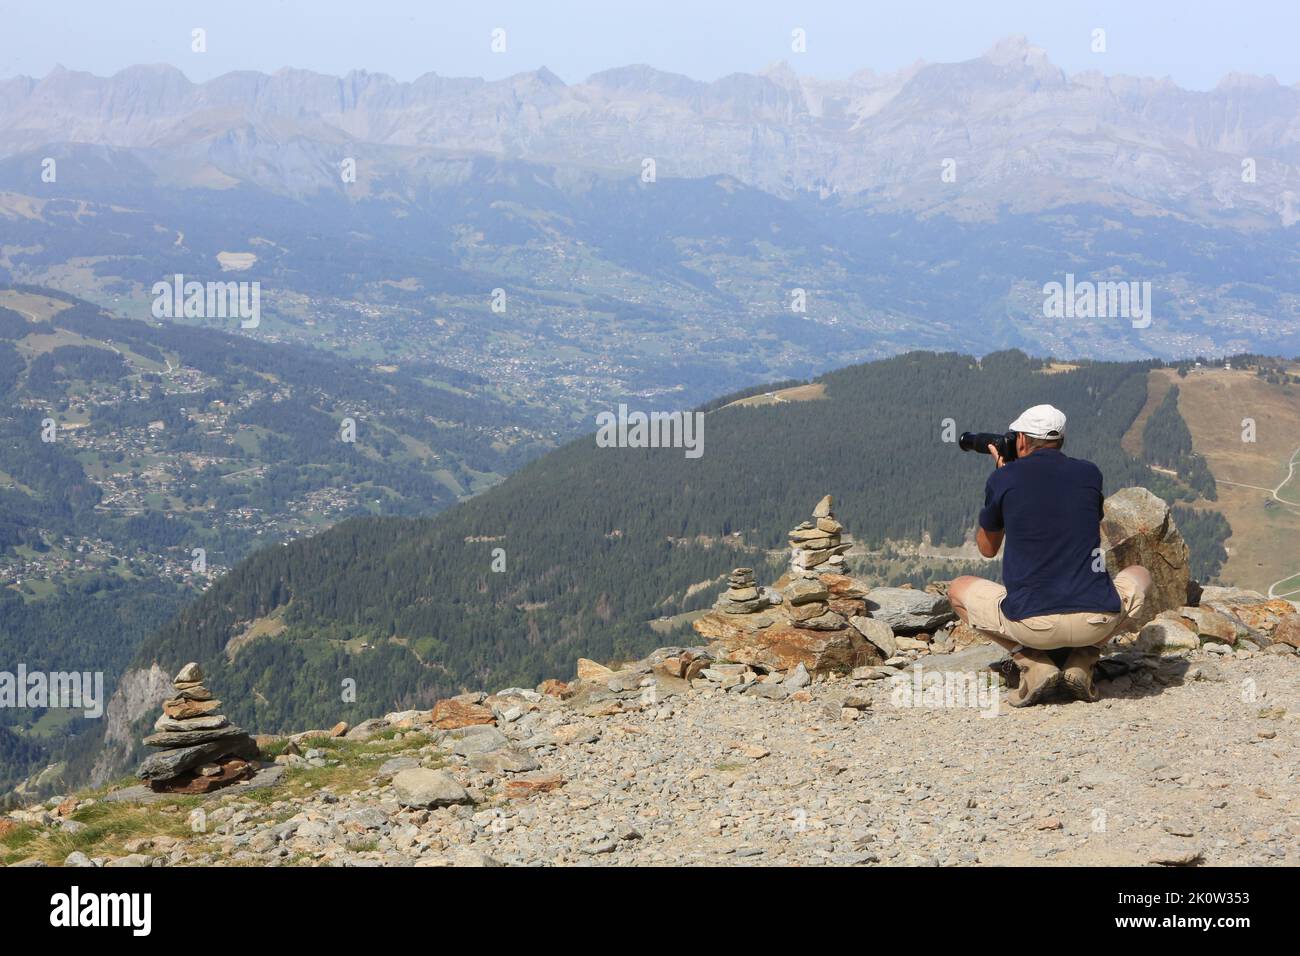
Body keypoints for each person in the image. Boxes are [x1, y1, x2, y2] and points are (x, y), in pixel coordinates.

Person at [947, 404, 1150, 706]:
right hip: (1096, 619)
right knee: (1140, 575)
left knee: (957, 590)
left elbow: (987, 549)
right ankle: (1083, 659)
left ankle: (1033, 662)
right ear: (1060, 441)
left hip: (1032, 625)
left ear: (1023, 441)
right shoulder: (1089, 473)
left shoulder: (1004, 478)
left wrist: (1002, 482)